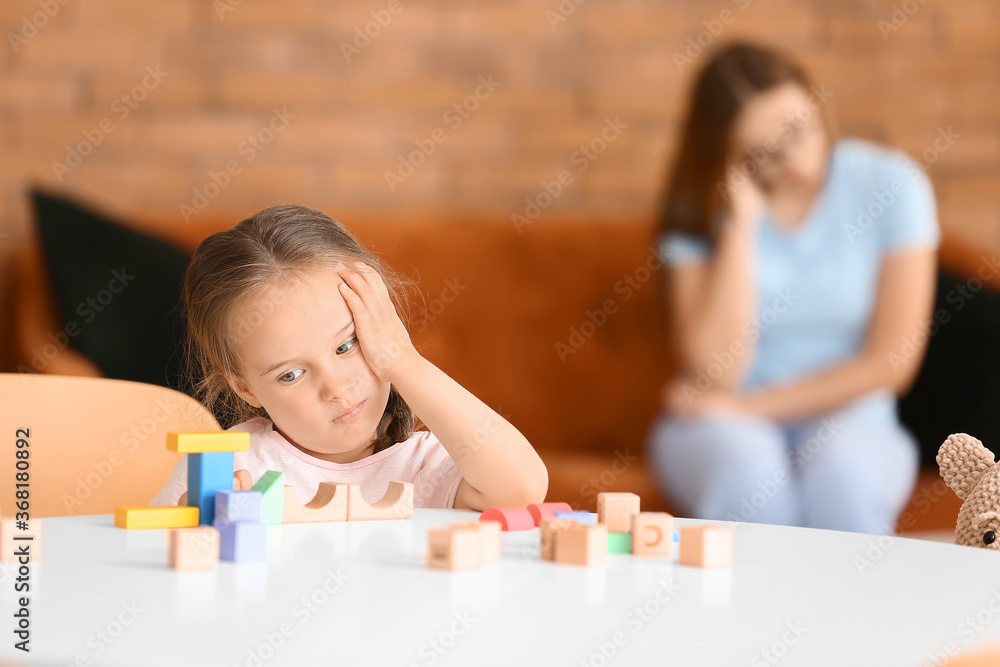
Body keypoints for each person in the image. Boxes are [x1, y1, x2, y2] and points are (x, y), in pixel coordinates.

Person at [646, 42, 939, 534]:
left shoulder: (892, 185)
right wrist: (738, 230)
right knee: (749, 475)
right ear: (728, 158)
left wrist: (750, 407)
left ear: (815, 101)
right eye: (764, 155)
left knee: (843, 480)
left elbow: (891, 363)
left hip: (849, 413)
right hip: (716, 421)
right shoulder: (699, 210)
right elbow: (717, 373)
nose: (798, 163)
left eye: (799, 131)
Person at [152, 204, 547, 510]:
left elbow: (522, 490)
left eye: (347, 345)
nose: (337, 388)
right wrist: (193, 532)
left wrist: (402, 359)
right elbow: (144, 567)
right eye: (291, 374)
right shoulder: (230, 465)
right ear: (244, 387)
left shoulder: (423, 468)